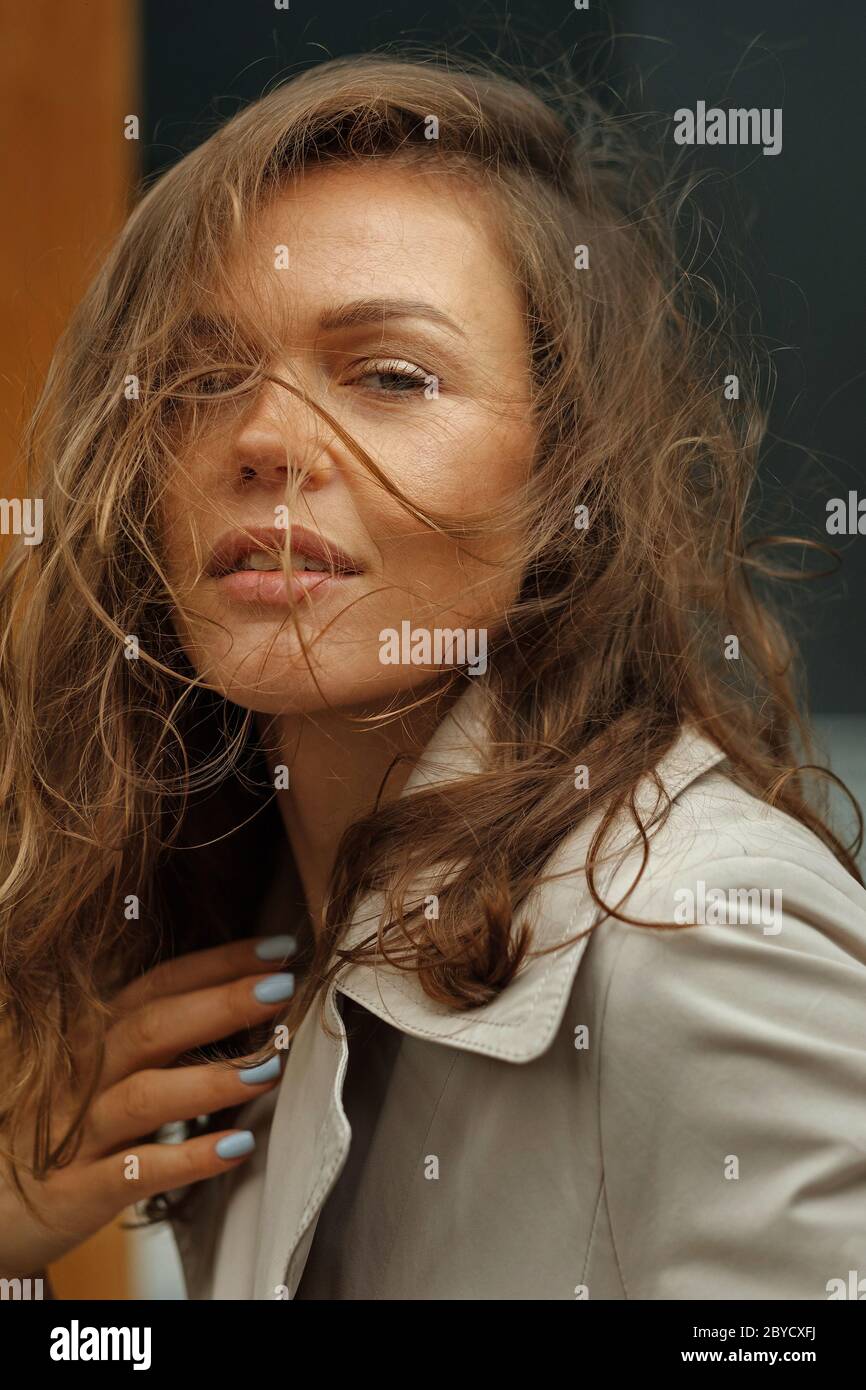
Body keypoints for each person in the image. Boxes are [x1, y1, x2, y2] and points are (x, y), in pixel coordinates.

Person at [1, 54, 864, 1301]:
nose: (262, 440)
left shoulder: (697, 932)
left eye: (392, 375)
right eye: (197, 381)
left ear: (564, 480)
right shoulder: (246, 935)